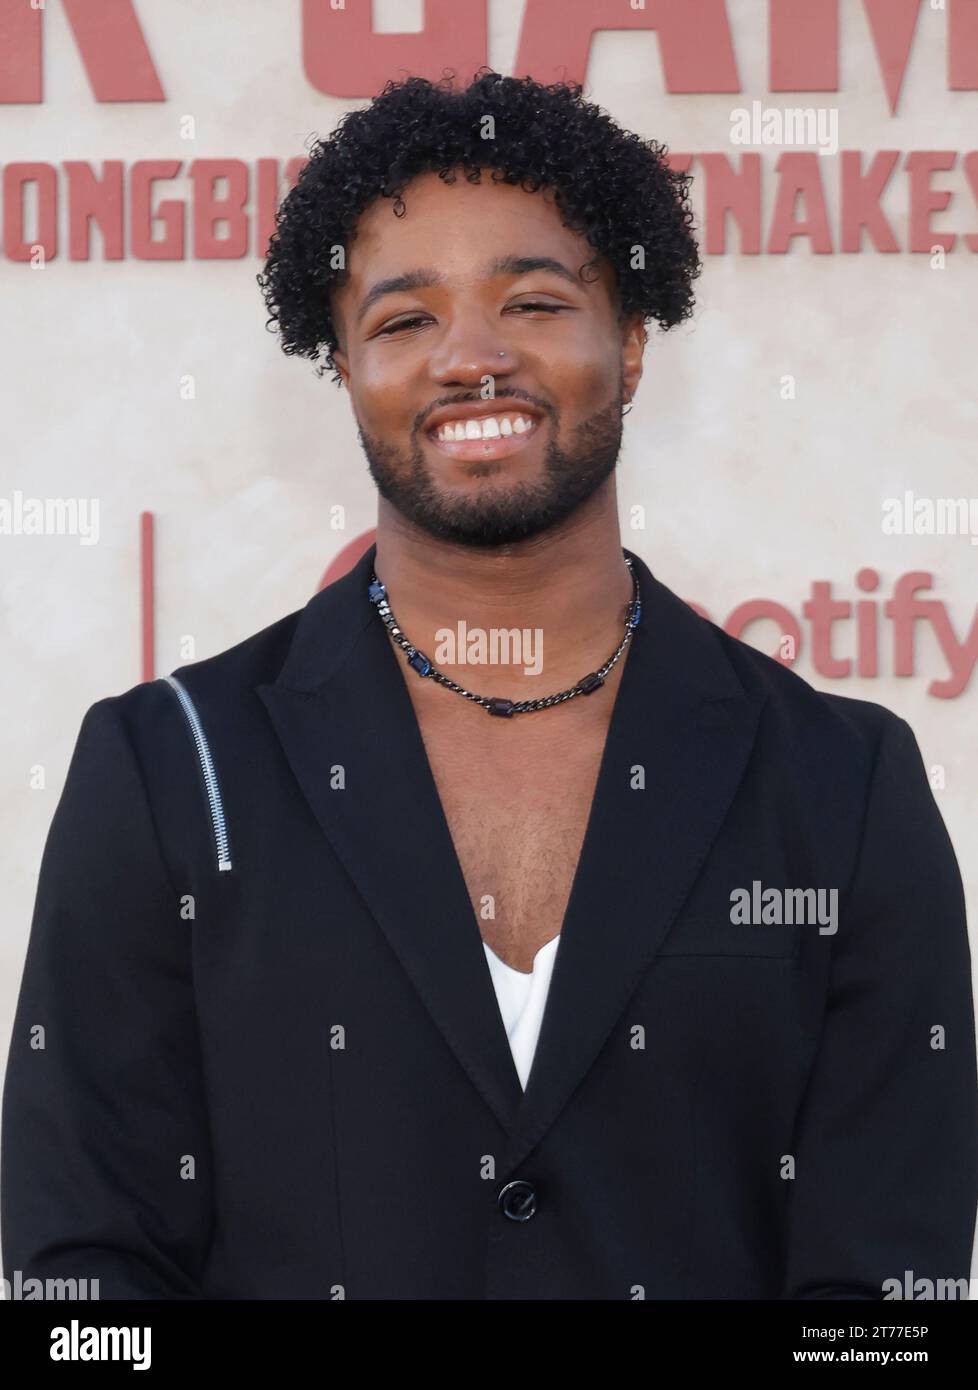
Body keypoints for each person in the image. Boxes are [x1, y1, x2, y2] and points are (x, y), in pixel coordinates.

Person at [2, 70, 976, 1301]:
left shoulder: (841, 785)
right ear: (344, 370)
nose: (472, 357)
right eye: (404, 321)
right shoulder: (169, 767)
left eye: (532, 300)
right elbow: (85, 1278)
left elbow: (886, 1298)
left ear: (627, 341)